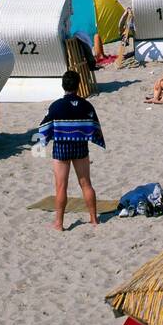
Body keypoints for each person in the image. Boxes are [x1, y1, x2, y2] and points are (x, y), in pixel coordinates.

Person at [38, 71, 104, 231]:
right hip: (80, 146)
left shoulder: (56, 106)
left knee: (61, 187)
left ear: (63, 85)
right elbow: (94, 127)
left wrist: (43, 143)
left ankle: (59, 224)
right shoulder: (86, 105)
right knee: (86, 184)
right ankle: (94, 219)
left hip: (61, 147)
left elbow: (43, 128)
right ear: (78, 85)